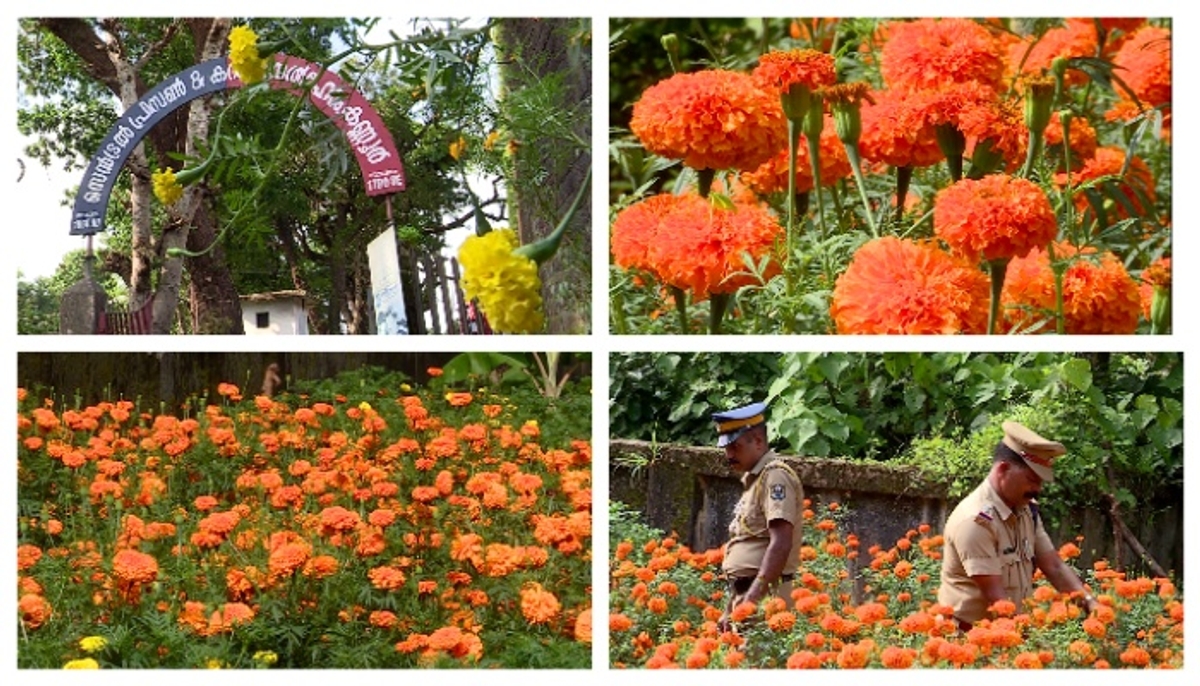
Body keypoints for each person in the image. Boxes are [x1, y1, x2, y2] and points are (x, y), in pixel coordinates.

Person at [939, 421, 1099, 630]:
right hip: (968, 641)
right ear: (1003, 470)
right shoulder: (975, 522)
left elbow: (1054, 566)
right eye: (1032, 480)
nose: (1037, 489)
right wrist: (1031, 645)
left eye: (1041, 482)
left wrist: (1091, 604)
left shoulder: (1025, 509)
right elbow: (998, 600)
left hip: (1007, 632)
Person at [713, 401, 804, 631]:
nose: (729, 454)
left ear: (758, 441)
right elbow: (747, 545)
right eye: (726, 448)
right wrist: (730, 607)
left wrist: (752, 598)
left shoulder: (775, 477)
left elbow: (781, 542)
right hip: (748, 592)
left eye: (735, 447)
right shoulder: (755, 480)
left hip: (765, 597)